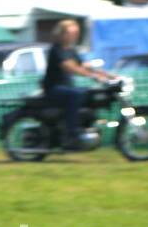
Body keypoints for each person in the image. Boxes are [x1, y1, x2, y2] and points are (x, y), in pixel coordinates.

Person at [42, 19, 112, 150]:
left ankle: (86, 126)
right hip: (53, 89)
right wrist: (93, 76)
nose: (74, 36)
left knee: (89, 94)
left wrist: (109, 75)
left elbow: (85, 66)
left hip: (66, 87)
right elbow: (69, 67)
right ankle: (72, 134)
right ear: (61, 34)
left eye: (75, 33)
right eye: (71, 33)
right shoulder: (56, 50)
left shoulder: (71, 50)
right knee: (77, 94)